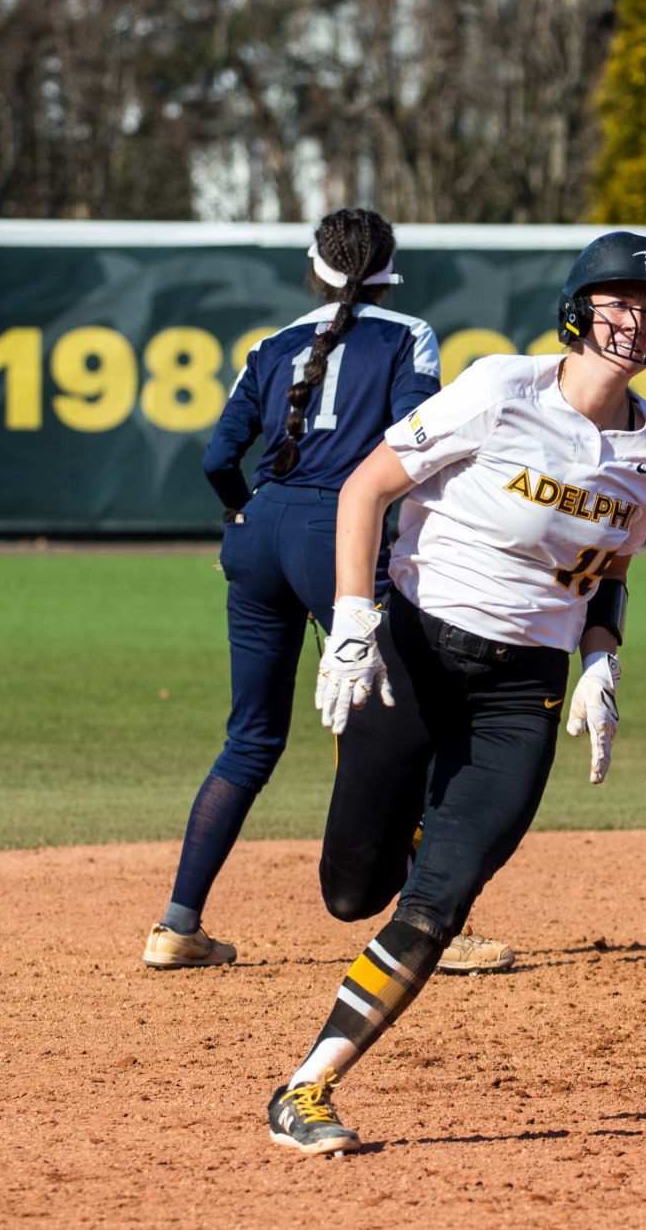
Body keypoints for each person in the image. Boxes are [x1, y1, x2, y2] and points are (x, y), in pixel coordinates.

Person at [265, 230, 646, 1157]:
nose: (637, 322)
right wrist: (350, 621)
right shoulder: (503, 389)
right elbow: (366, 490)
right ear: (581, 308)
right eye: (621, 301)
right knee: (351, 889)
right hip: (415, 655)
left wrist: (602, 661)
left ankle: (309, 1085)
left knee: (437, 900)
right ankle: (416, 823)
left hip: (522, 693)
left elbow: (607, 569)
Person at [140, 208, 516, 976]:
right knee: (404, 730)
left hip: (259, 533)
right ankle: (430, 924)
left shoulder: (269, 345)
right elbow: (422, 442)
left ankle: (178, 924)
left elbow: (220, 456)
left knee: (250, 737)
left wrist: (242, 510)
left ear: (313, 269)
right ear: (388, 270)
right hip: (341, 531)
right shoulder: (409, 334)